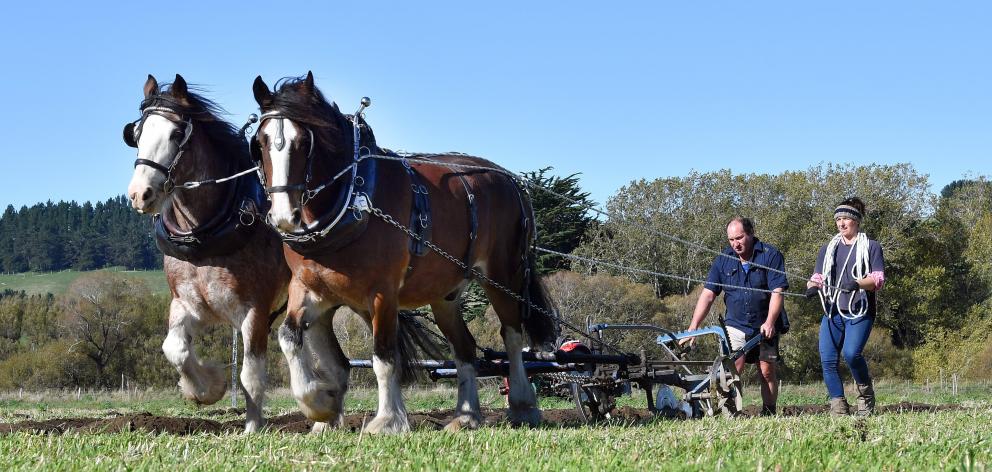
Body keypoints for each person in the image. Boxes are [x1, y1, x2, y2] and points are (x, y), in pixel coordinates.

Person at [683, 217, 788, 416]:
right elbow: (708, 294)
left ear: (750, 233)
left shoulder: (770, 255)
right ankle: (729, 411)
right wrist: (694, 325)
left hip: (765, 323)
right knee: (731, 369)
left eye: (739, 238)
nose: (735, 244)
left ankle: (769, 412)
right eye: (731, 240)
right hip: (735, 324)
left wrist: (770, 322)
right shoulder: (723, 260)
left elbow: (777, 292)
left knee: (766, 371)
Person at [805, 197, 885, 417]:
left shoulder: (871, 247)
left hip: (860, 310)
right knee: (828, 360)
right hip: (832, 311)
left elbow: (878, 280)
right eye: (838, 219)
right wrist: (812, 287)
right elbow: (818, 276)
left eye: (846, 219)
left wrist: (857, 283)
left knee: (851, 354)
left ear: (856, 221)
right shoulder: (828, 249)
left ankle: (865, 397)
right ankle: (839, 407)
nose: (841, 223)